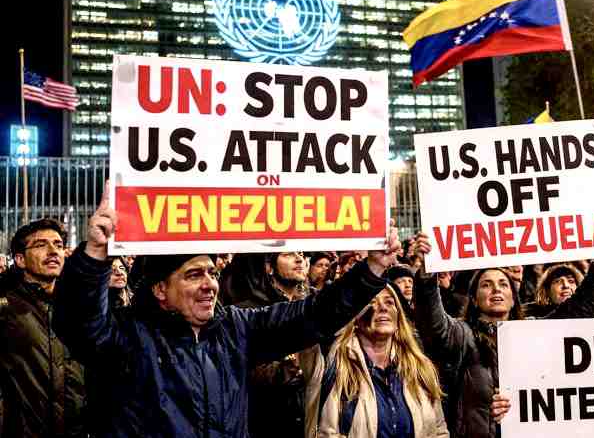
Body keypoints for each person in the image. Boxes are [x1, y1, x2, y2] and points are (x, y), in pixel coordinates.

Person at [52, 186, 399, 437]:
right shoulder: (127, 335)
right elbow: (77, 323)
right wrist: (94, 253)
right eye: (193, 275)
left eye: (212, 273)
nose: (210, 284)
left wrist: (371, 271)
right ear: (160, 289)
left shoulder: (234, 327)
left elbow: (315, 315)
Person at [412, 232, 594, 438]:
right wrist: (427, 275)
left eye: (503, 284)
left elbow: (580, 310)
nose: (496, 289)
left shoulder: (531, 332)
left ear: (514, 298)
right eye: (486, 284)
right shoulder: (461, 335)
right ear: (473, 299)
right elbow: (431, 321)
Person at [301, 285, 449, 438]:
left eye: (390, 302)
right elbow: (309, 327)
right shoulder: (333, 363)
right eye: (371, 303)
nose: (383, 308)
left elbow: (439, 430)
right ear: (355, 318)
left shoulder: (420, 367)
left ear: (399, 319)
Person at [0, 218, 86, 437]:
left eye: (58, 245)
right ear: (19, 259)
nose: (53, 251)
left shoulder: (77, 307)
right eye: (41, 245)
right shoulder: (6, 307)